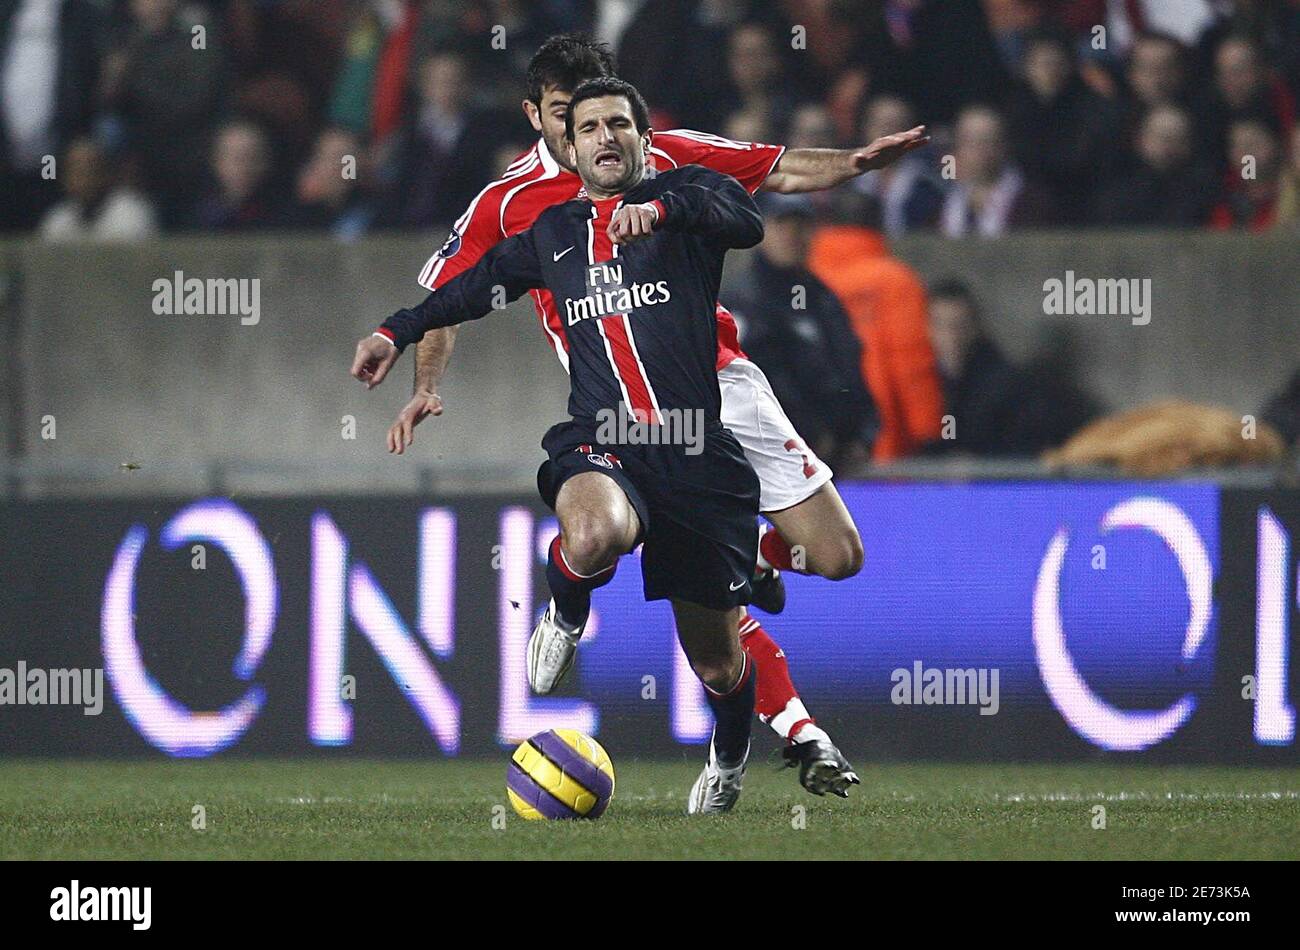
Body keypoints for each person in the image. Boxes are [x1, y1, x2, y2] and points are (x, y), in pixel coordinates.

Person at [387, 33, 927, 792]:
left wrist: (854, 163)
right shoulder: (508, 204)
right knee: (621, 542)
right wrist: (426, 380)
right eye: (565, 114)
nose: (592, 130)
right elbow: (450, 297)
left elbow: (768, 169)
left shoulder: (660, 151)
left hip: (723, 384)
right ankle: (582, 613)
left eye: (601, 115)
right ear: (537, 117)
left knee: (839, 557)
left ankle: (760, 561)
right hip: (621, 411)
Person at [352, 78, 769, 813]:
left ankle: (729, 759)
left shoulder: (690, 199)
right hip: (603, 440)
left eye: (620, 124)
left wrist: (660, 206)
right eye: (589, 128)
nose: (606, 137)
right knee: (595, 529)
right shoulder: (552, 236)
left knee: (716, 659)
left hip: (699, 457)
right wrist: (396, 330)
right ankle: (567, 613)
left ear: (644, 137)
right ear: (568, 148)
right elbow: (471, 286)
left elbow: (744, 219)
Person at [727, 192, 878, 470]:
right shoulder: (743, 301)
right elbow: (753, 381)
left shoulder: (823, 298)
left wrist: (863, 433)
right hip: (776, 459)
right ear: (761, 230)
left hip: (840, 456)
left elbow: (850, 363)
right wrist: (809, 434)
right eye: (781, 225)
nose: (792, 235)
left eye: (801, 226)